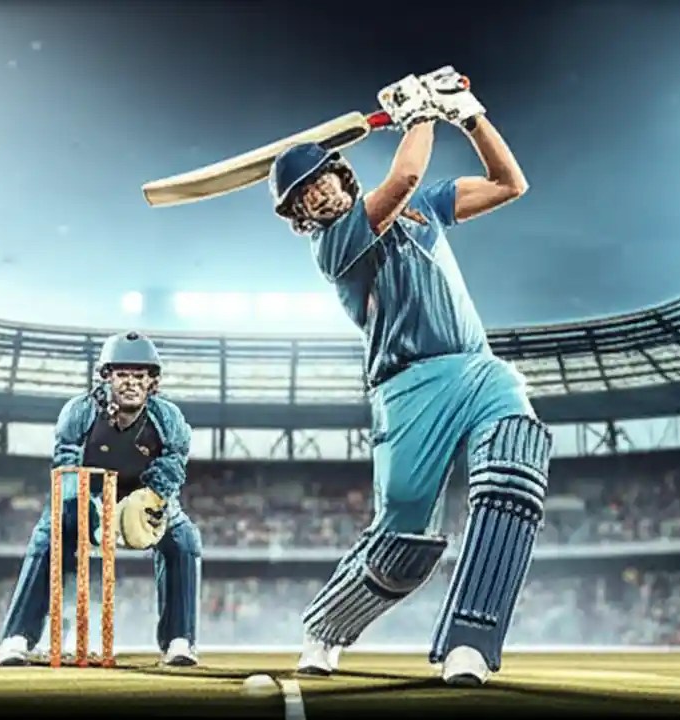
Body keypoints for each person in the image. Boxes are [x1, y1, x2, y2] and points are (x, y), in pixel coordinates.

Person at [266, 67, 553, 686]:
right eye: (302, 198)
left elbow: (511, 183)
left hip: (478, 369)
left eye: (320, 181)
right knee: (402, 545)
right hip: (407, 389)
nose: (316, 195)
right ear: (301, 217)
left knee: (514, 473)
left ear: (339, 172)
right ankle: (326, 627)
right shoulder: (336, 244)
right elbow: (403, 176)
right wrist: (420, 112)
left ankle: (470, 644)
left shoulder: (425, 208)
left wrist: (468, 115)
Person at [0, 331, 202, 667]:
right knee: (48, 536)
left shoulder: (169, 418)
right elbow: (66, 467)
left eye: (140, 376)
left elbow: (173, 464)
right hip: (86, 498)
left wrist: (148, 499)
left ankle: (179, 640)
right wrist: (92, 510)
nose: (131, 383)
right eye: (123, 375)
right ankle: (17, 638)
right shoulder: (78, 412)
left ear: (153, 383)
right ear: (106, 377)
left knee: (184, 538)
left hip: (141, 499)